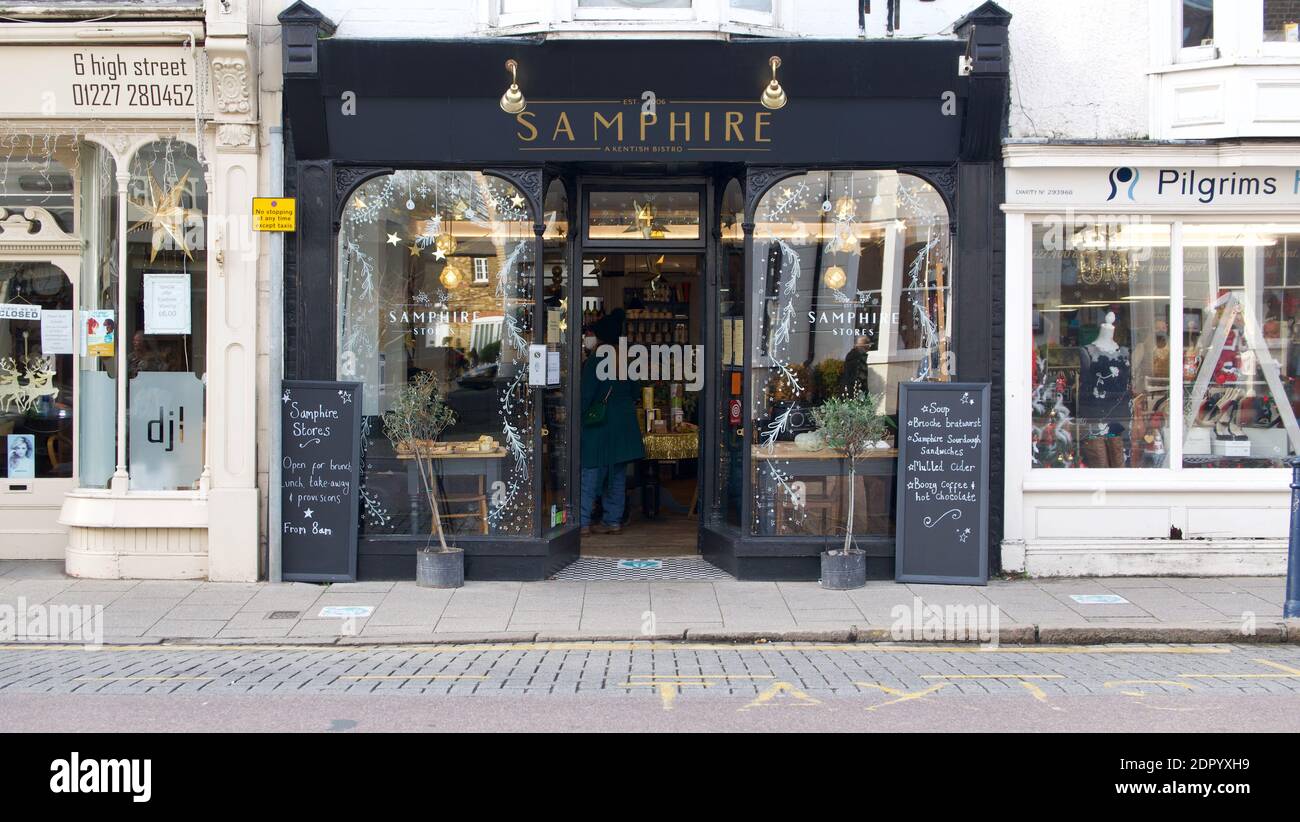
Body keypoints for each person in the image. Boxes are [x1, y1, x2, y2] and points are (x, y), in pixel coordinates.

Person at [580, 309, 644, 535]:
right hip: (625, 422)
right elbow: (636, 391)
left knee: (590, 471)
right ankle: (613, 520)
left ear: (601, 338)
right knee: (617, 474)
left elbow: (586, 395)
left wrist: (577, 415)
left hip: (599, 424)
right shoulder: (628, 358)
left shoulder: (596, 359)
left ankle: (583, 520)